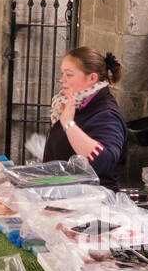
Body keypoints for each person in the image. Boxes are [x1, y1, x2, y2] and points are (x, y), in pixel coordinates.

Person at [41, 46, 127, 189]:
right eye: (62, 73)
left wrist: (69, 124)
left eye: (69, 75)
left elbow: (105, 161)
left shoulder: (106, 114)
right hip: (66, 197)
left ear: (92, 78)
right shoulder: (79, 105)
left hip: (92, 203)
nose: (62, 80)